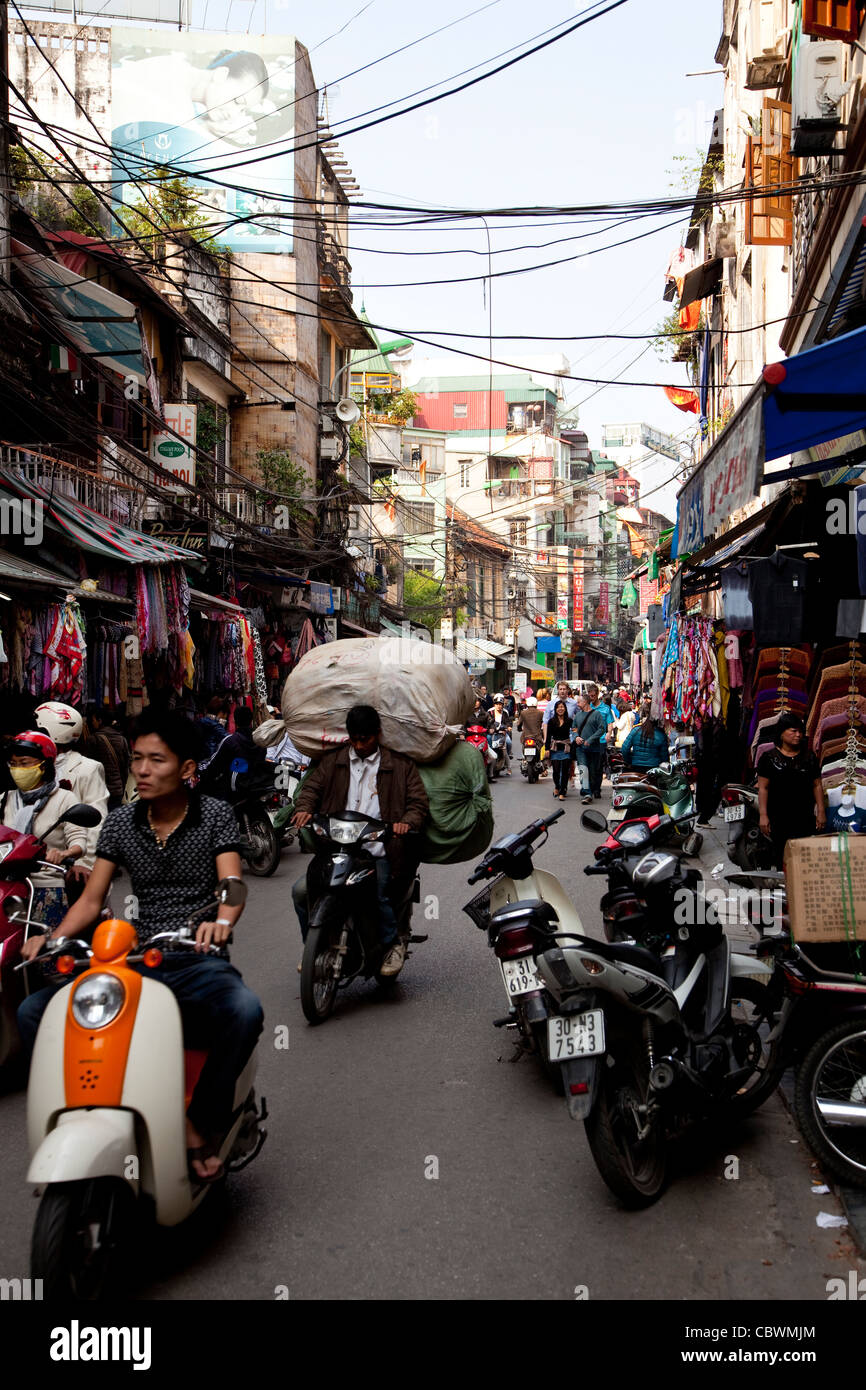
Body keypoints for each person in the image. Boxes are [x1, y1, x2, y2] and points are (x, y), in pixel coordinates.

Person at [19, 708, 262, 1184]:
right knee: (34, 1012)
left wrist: (222, 922)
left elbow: (232, 883)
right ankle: (78, 1112)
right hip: (131, 958)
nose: (143, 771)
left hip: (194, 955)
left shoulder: (213, 815)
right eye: (138, 760)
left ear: (188, 769)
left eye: (158, 760)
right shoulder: (121, 823)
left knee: (244, 1011)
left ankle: (202, 1121)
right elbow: (92, 901)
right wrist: (54, 938)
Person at [290, 705, 429, 978]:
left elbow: (418, 803)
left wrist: (406, 822)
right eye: (354, 739)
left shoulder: (400, 766)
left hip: (379, 850)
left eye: (364, 739)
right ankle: (313, 948)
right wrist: (304, 807)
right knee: (302, 891)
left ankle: (393, 945)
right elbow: (312, 788)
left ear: (377, 734)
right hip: (337, 848)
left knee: (380, 894)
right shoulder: (333, 761)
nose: (359, 745)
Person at [1, 731, 88, 932]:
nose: (18, 770)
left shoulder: (65, 799)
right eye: (13, 764)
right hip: (8, 889)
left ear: (44, 764)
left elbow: (78, 842)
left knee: (46, 954)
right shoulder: (4, 799)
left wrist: (63, 854)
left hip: (46, 887)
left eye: (24, 763)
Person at [34, 702, 109, 878]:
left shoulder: (88, 768)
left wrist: (84, 863)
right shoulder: (34, 765)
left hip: (69, 864)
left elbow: (97, 820)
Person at [757, 713, 825, 870]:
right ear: (781, 733)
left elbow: (817, 785)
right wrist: (763, 815)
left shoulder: (809, 758)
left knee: (806, 857)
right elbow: (763, 788)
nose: (798, 735)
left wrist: (821, 811)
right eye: (793, 731)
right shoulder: (768, 758)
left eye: (800, 732)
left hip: (805, 816)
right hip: (779, 818)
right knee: (783, 857)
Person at [199, 705, 269, 796]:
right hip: (255, 787)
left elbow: (214, 767)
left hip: (233, 791)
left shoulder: (230, 741)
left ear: (235, 721)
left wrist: (201, 774)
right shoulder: (260, 742)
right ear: (251, 720)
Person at [85, 708, 129, 811]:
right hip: (117, 790)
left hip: (99, 791)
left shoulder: (94, 739)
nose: (92, 722)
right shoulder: (122, 739)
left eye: (94, 720)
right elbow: (125, 766)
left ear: (100, 721)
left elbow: (88, 766)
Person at [573, 693, 607, 802]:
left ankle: (589, 790)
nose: (577, 704)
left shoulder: (597, 714)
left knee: (593, 772)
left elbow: (602, 729)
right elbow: (573, 729)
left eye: (579, 702)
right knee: (583, 769)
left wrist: (590, 740)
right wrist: (576, 737)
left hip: (594, 748)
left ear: (585, 702)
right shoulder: (578, 716)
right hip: (580, 749)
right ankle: (587, 793)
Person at [621, 707, 669, 772]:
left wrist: (629, 761)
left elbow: (624, 748)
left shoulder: (635, 730)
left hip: (636, 767)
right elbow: (664, 758)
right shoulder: (661, 735)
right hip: (653, 769)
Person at [544, 700, 575, 801]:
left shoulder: (569, 721)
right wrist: (547, 749)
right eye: (558, 707)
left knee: (565, 771)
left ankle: (563, 792)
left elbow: (574, 733)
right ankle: (557, 786)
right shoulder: (551, 721)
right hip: (555, 749)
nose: (560, 709)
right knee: (556, 771)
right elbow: (548, 736)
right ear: (555, 709)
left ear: (565, 709)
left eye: (562, 707)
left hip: (566, 749)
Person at [197, 697, 230, 764]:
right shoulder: (215, 725)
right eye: (225, 715)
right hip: (208, 761)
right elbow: (229, 740)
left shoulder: (200, 721)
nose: (225, 718)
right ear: (221, 713)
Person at [489, 694, 513, 770]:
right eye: (497, 704)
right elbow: (488, 722)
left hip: (502, 734)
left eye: (500, 704)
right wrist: (491, 729)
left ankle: (508, 755)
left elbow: (508, 722)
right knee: (488, 741)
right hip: (492, 734)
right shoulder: (490, 712)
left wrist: (508, 727)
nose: (499, 706)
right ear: (494, 704)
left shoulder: (505, 712)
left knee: (508, 742)